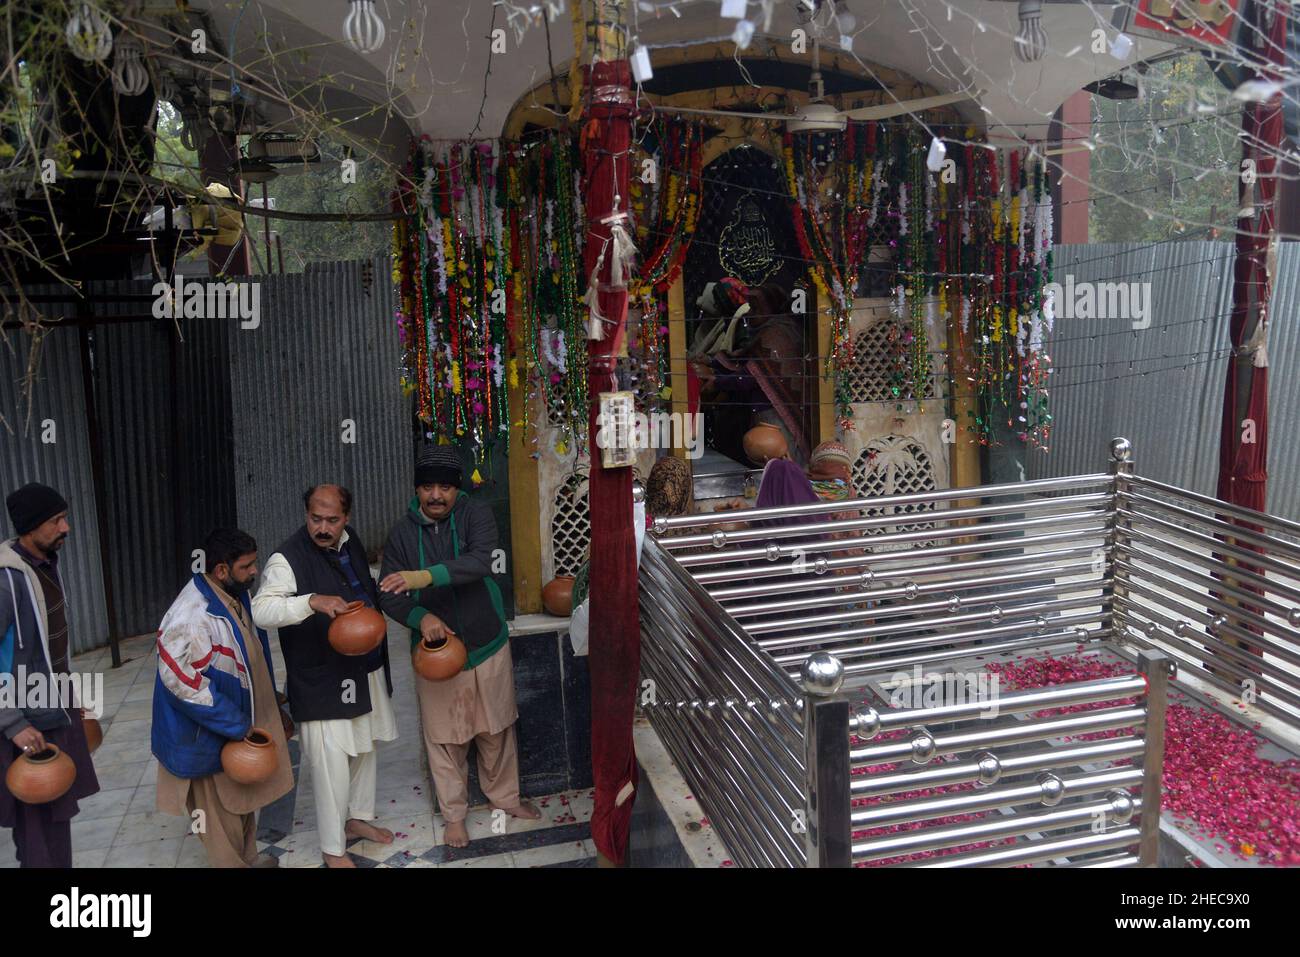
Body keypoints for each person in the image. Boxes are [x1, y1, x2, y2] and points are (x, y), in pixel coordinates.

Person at [377, 446, 539, 848]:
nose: (436, 495)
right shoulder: (400, 533)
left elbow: (480, 562)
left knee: (496, 726)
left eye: (445, 487)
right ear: (417, 490)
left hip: (486, 640)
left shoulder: (475, 515)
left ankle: (506, 799)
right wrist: (421, 619)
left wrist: (421, 577)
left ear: (457, 490)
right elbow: (388, 594)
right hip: (436, 657)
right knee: (446, 738)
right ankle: (454, 816)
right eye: (428, 487)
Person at [251, 484, 397, 868]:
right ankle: (333, 849)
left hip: (362, 665)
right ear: (306, 515)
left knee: (365, 746)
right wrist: (312, 601)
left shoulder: (350, 543)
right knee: (331, 763)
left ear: (346, 518)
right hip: (319, 676)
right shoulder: (287, 558)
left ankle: (357, 820)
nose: (323, 527)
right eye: (316, 518)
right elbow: (261, 610)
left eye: (332, 520)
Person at [152, 527, 292, 868]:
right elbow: (182, 683)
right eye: (247, 567)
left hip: (233, 730)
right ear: (221, 571)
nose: (254, 572)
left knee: (241, 803)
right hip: (205, 736)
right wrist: (236, 724)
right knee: (218, 823)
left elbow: (247, 657)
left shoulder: (235, 594)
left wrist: (269, 703)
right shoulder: (190, 616)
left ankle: (248, 861)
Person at [0, 483, 100, 867]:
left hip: (49, 706)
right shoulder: (7, 581)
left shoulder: (42, 565)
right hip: (24, 721)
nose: (66, 528)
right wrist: (12, 724)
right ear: (29, 527)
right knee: (38, 830)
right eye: (56, 520)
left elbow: (46, 646)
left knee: (54, 821)